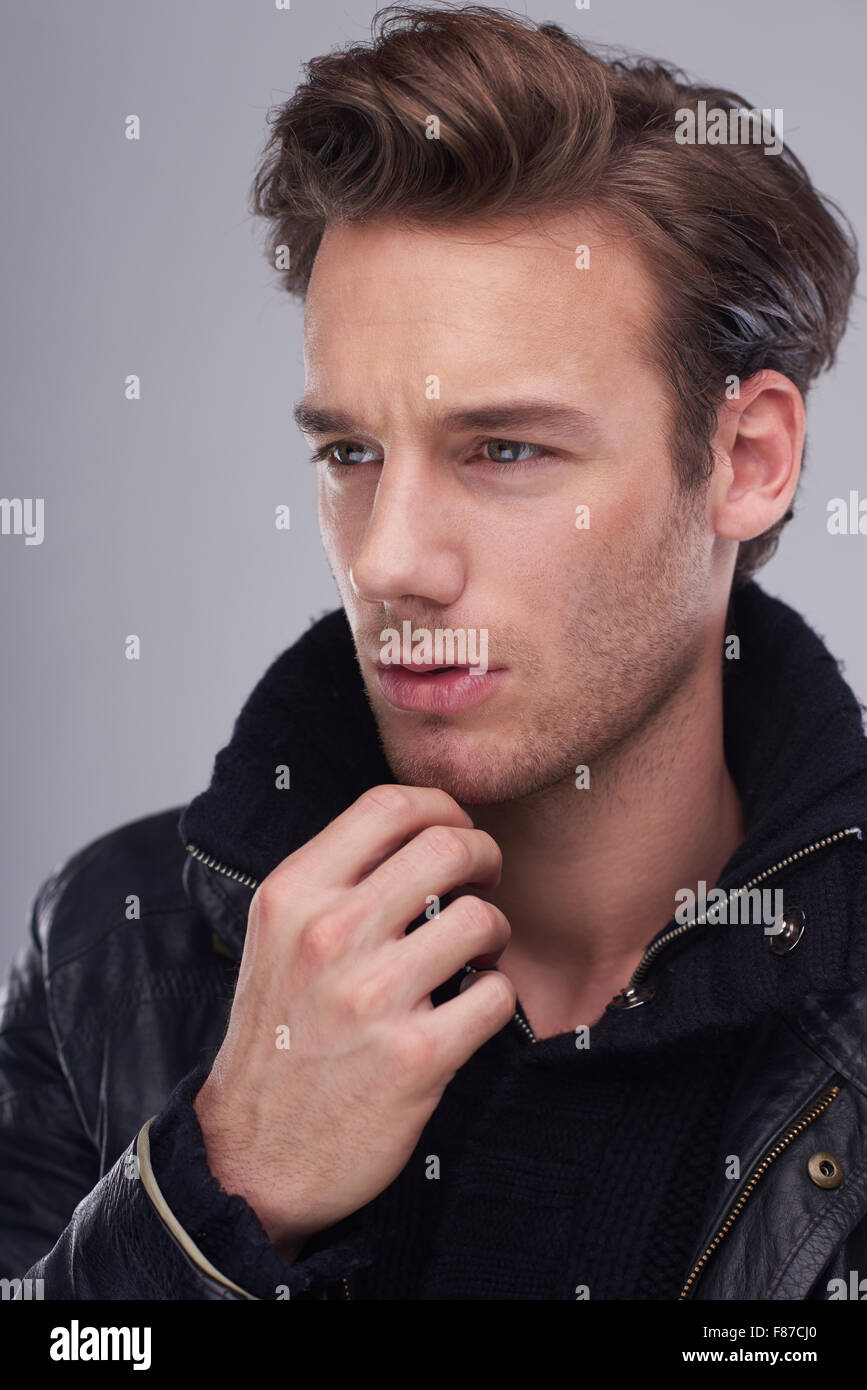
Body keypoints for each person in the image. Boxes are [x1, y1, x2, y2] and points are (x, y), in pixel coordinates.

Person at [2, 5, 866, 1301]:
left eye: (505, 449)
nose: (391, 554)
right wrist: (212, 1183)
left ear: (748, 462)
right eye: (349, 451)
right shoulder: (113, 953)